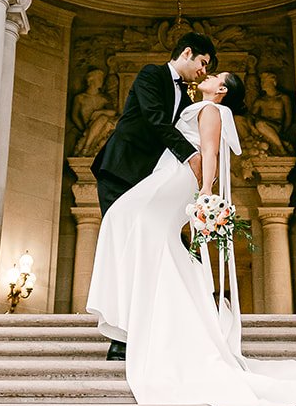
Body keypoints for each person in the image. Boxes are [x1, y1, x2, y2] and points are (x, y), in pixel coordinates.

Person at [87, 68, 296, 406]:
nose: (206, 74)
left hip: (179, 178)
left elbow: (210, 153)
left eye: (214, 74)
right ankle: (157, 321)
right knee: (150, 239)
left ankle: (138, 325)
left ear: (221, 88)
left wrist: (206, 193)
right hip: (168, 174)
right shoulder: (202, 107)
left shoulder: (211, 111)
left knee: (124, 217)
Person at [90, 29, 215, 359]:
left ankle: (152, 328)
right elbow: (155, 118)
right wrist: (192, 156)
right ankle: (120, 337)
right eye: (202, 63)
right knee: (126, 249)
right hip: (120, 171)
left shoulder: (187, 99)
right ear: (186, 53)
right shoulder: (151, 74)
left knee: (150, 250)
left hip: (149, 180)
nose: (203, 71)